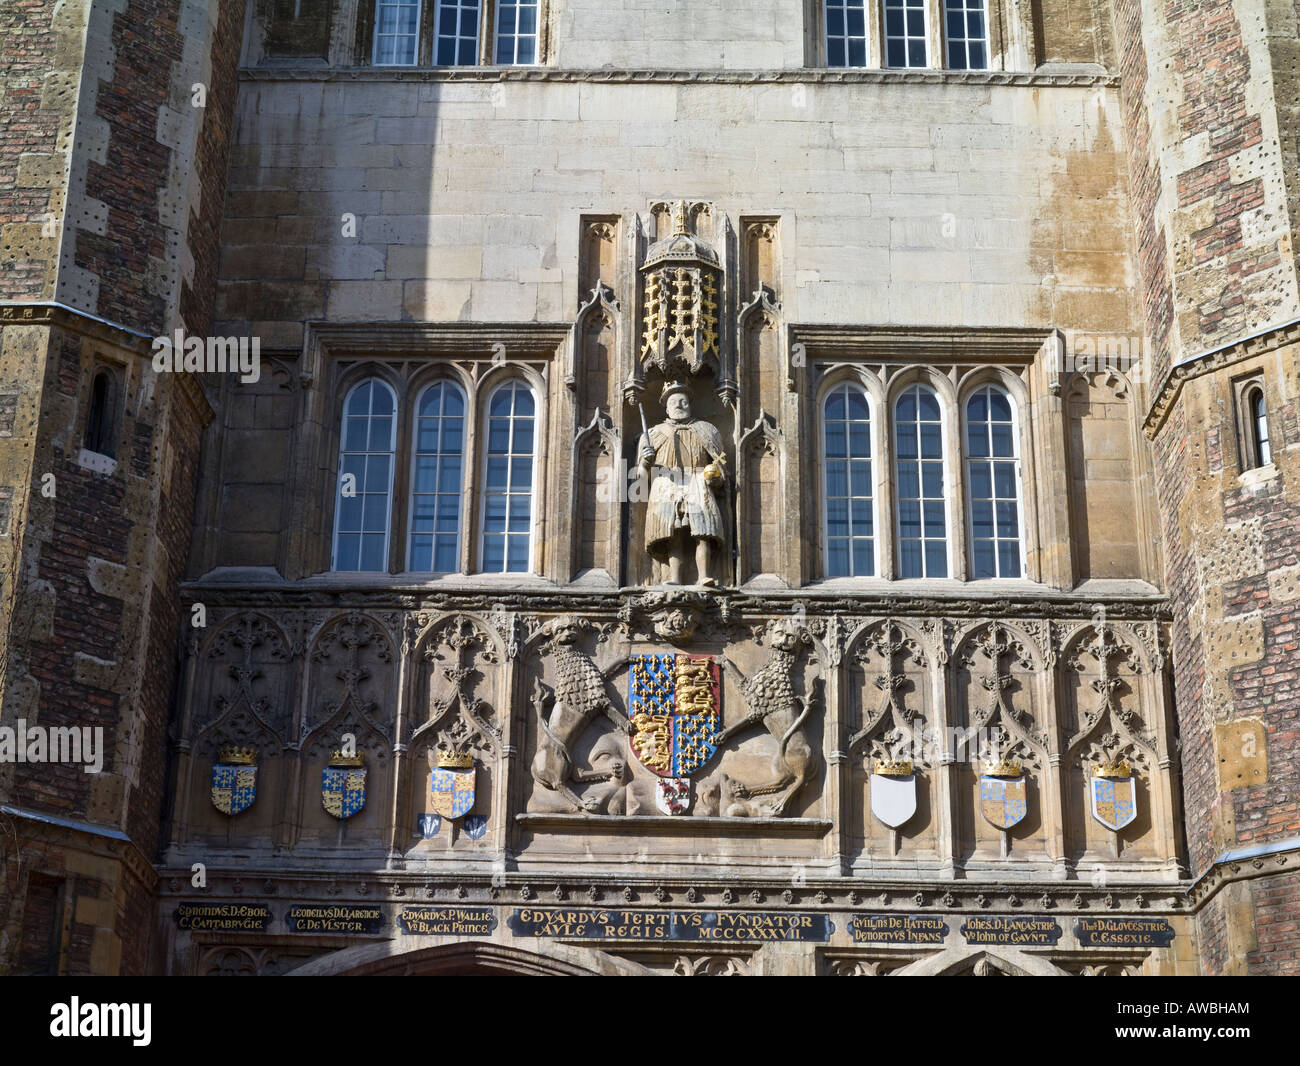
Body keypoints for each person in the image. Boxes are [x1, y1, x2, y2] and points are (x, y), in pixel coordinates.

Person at [638, 381, 727, 586]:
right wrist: (645, 462)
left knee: (703, 531)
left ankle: (704, 575)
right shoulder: (653, 434)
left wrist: (716, 476)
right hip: (666, 484)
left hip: (698, 482)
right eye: (673, 402)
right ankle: (674, 578)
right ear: (666, 407)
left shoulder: (707, 430)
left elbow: (720, 462)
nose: (678, 405)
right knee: (673, 533)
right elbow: (640, 478)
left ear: (690, 404)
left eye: (683, 401)